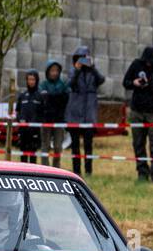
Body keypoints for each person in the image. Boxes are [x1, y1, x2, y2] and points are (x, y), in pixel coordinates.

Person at [122, 46, 153, 183]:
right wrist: (134, 83)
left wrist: (151, 86)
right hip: (137, 111)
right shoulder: (136, 64)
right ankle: (142, 173)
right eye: (147, 62)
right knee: (138, 144)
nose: (148, 64)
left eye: (151, 62)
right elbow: (125, 82)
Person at [66, 46, 105, 176]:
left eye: (84, 59)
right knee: (75, 145)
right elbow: (69, 84)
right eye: (80, 59)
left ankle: (89, 171)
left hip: (89, 114)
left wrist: (92, 67)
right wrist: (77, 70)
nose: (82, 62)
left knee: (88, 145)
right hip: (75, 114)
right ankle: (76, 171)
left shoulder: (92, 73)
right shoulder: (73, 71)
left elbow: (101, 80)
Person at [37, 60, 69, 169]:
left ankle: (56, 167)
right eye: (52, 70)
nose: (54, 73)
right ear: (48, 72)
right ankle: (44, 168)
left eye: (56, 70)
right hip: (46, 119)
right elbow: (42, 97)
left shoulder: (63, 84)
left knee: (57, 146)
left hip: (59, 120)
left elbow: (66, 97)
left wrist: (52, 97)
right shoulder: (43, 84)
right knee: (45, 145)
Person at [14, 69, 43, 164]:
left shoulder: (40, 95)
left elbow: (42, 112)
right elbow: (17, 111)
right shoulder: (22, 95)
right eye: (29, 79)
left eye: (33, 79)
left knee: (33, 154)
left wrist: (36, 122)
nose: (31, 82)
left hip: (34, 130)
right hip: (23, 130)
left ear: (36, 80)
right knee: (23, 153)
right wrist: (19, 120)